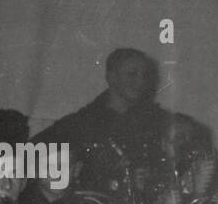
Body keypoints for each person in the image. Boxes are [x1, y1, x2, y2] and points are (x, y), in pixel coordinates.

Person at [32, 48, 167, 195]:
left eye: (145, 75)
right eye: (132, 74)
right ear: (111, 77)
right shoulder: (82, 122)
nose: (140, 81)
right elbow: (31, 153)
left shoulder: (157, 121)